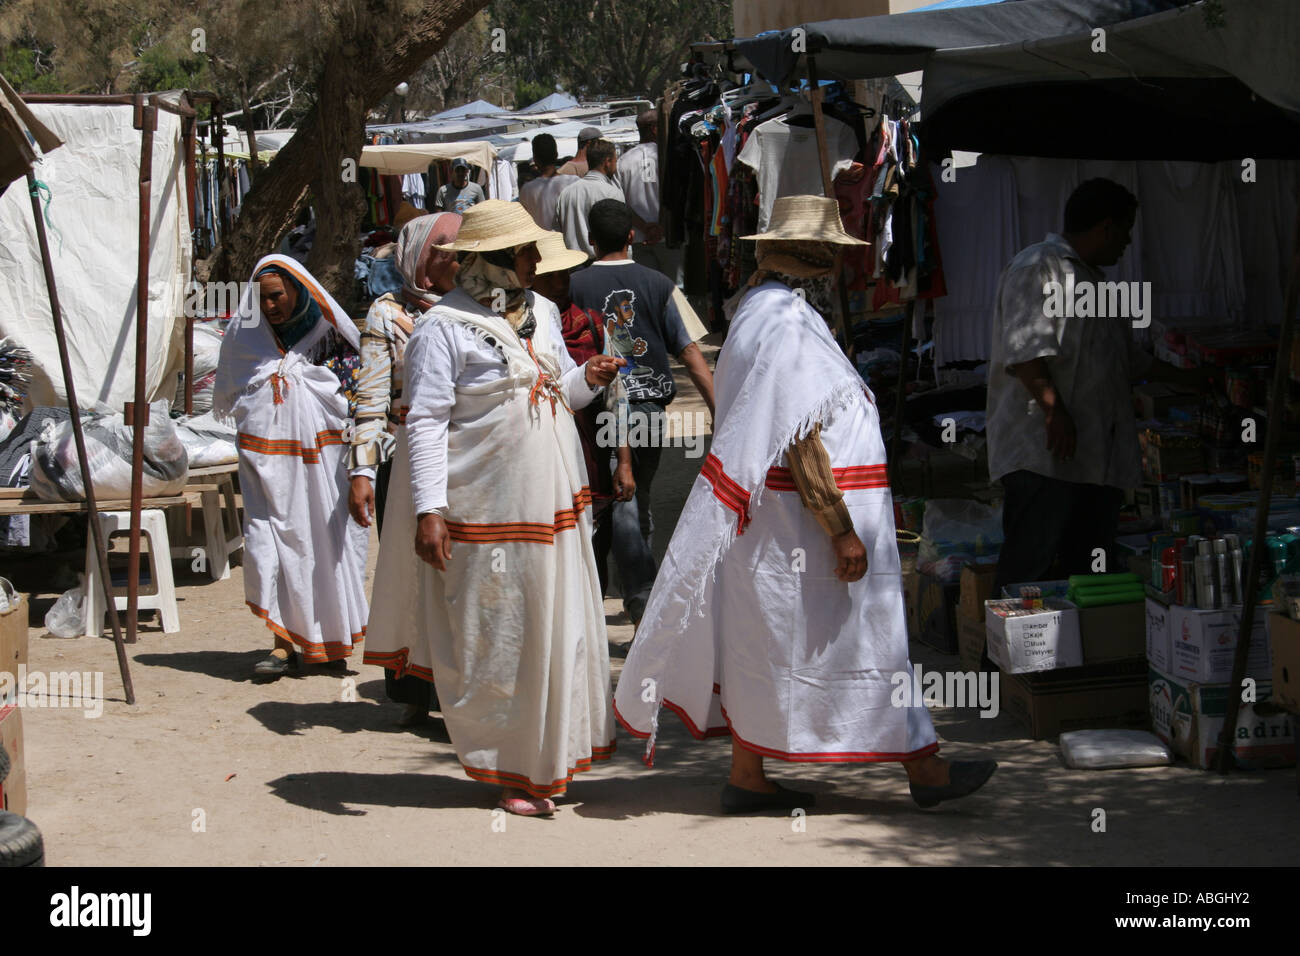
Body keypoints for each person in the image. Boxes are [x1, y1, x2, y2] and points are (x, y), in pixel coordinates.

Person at [614, 196, 997, 813]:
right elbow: (799, 432)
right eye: (836, 259)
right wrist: (840, 527)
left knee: (766, 644)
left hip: (782, 530)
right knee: (871, 640)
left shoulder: (762, 312)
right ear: (818, 263)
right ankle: (924, 770)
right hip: (804, 529)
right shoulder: (785, 322)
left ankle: (748, 777)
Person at [363, 200, 626, 816]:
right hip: (484, 513)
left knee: (551, 627)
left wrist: (589, 375)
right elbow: (425, 421)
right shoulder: (441, 328)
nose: (537, 261)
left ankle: (548, 760)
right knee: (498, 637)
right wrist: (428, 510)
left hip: (550, 506)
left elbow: (558, 391)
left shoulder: (543, 313)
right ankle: (512, 769)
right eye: (527, 252)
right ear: (499, 259)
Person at [987, 178, 1168, 596]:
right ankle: (1000, 663)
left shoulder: (1097, 283)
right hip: (1044, 457)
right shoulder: (1038, 267)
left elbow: (1126, 360)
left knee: (1087, 578)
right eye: (1124, 232)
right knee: (1027, 572)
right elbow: (1026, 349)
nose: (1126, 244)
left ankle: (1078, 661)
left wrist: (1193, 376)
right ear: (1106, 227)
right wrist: (1054, 410)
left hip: (1093, 462)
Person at [213, 256, 368, 679]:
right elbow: (237, 395)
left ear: (298, 290)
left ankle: (329, 641)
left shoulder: (331, 338)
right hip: (267, 471)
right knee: (272, 547)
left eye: (277, 296)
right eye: (260, 299)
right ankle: (282, 645)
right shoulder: (243, 339)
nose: (269, 307)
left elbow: (355, 403)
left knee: (325, 548)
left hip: (326, 472)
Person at [568, 199, 714, 628]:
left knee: (607, 503)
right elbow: (690, 352)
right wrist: (720, 411)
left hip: (590, 410)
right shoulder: (659, 283)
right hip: (647, 410)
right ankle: (640, 601)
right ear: (632, 236)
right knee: (634, 503)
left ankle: (610, 598)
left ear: (590, 240)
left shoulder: (571, 286)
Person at [349, 212, 461, 725]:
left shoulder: (475, 310)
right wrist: (362, 471)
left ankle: (461, 691)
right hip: (407, 464)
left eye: (460, 247)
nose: (455, 257)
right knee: (414, 575)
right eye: (443, 248)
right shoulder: (386, 314)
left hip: (467, 461)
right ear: (417, 255)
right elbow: (370, 398)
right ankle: (416, 696)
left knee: (461, 577)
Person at [532, 231, 636, 598]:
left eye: (565, 275)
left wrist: (623, 462)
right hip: (540, 460)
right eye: (550, 276)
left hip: (590, 453)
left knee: (592, 548)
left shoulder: (591, 324)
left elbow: (616, 399)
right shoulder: (522, 331)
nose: (560, 283)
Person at [616, 110, 677, 282]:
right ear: (655, 129)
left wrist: (645, 227)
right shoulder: (669, 157)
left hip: (639, 239)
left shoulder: (623, 161)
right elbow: (677, 197)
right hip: (668, 237)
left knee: (646, 290)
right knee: (676, 291)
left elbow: (620, 203)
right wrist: (660, 227)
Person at [553, 138, 625, 259]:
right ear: (607, 162)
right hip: (602, 263)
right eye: (615, 161)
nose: (615, 167)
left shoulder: (566, 194)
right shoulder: (612, 193)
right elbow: (620, 234)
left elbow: (557, 230)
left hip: (573, 264)